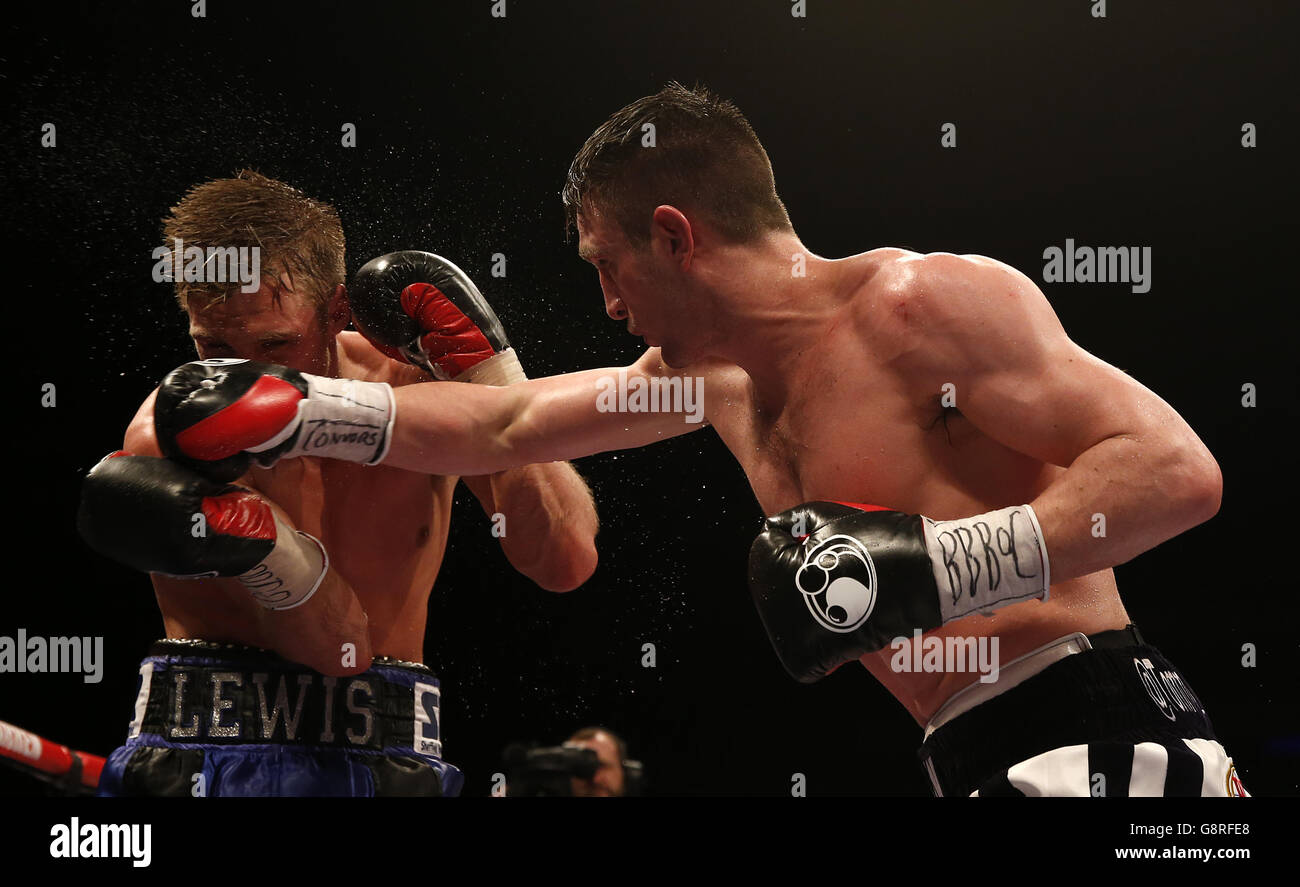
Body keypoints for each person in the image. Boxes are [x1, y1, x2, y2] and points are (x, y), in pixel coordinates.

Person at [143, 87, 1248, 797]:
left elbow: (1173, 471)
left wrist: (941, 564)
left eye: (604, 266)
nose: (610, 305)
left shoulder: (925, 306)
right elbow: (511, 421)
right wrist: (307, 409)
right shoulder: (709, 377)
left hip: (1097, 723)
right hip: (963, 745)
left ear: (674, 238)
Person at [77, 171, 600, 797]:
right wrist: (265, 542)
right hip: (203, 753)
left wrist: (489, 373)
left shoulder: (416, 392)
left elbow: (562, 560)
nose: (246, 375)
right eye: (212, 346)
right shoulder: (170, 437)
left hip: (387, 755)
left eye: (276, 343)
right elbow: (338, 651)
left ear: (337, 312)